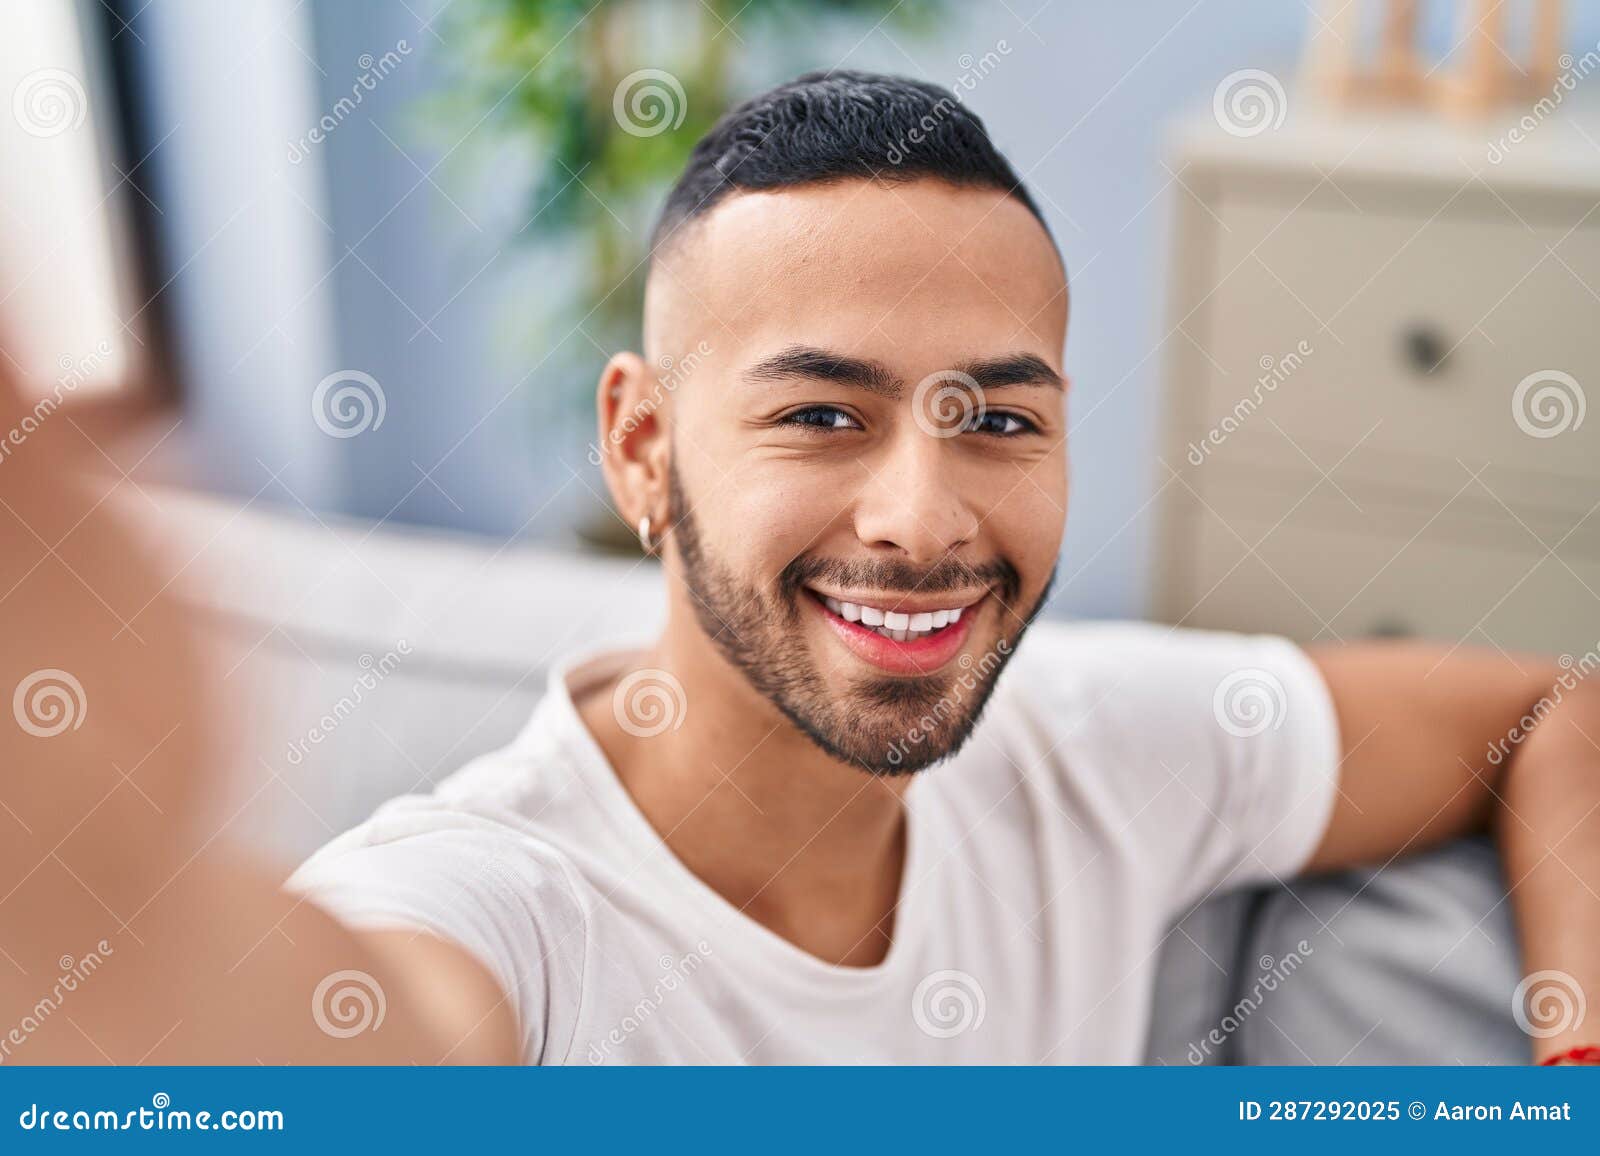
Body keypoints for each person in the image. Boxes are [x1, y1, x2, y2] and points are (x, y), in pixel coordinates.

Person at [4, 70, 1597, 1066]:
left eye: (994, 418)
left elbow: (1544, 713)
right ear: (641, 449)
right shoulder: (504, 911)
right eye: (822, 413)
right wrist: (94, 856)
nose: (923, 517)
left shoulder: (1100, 746)